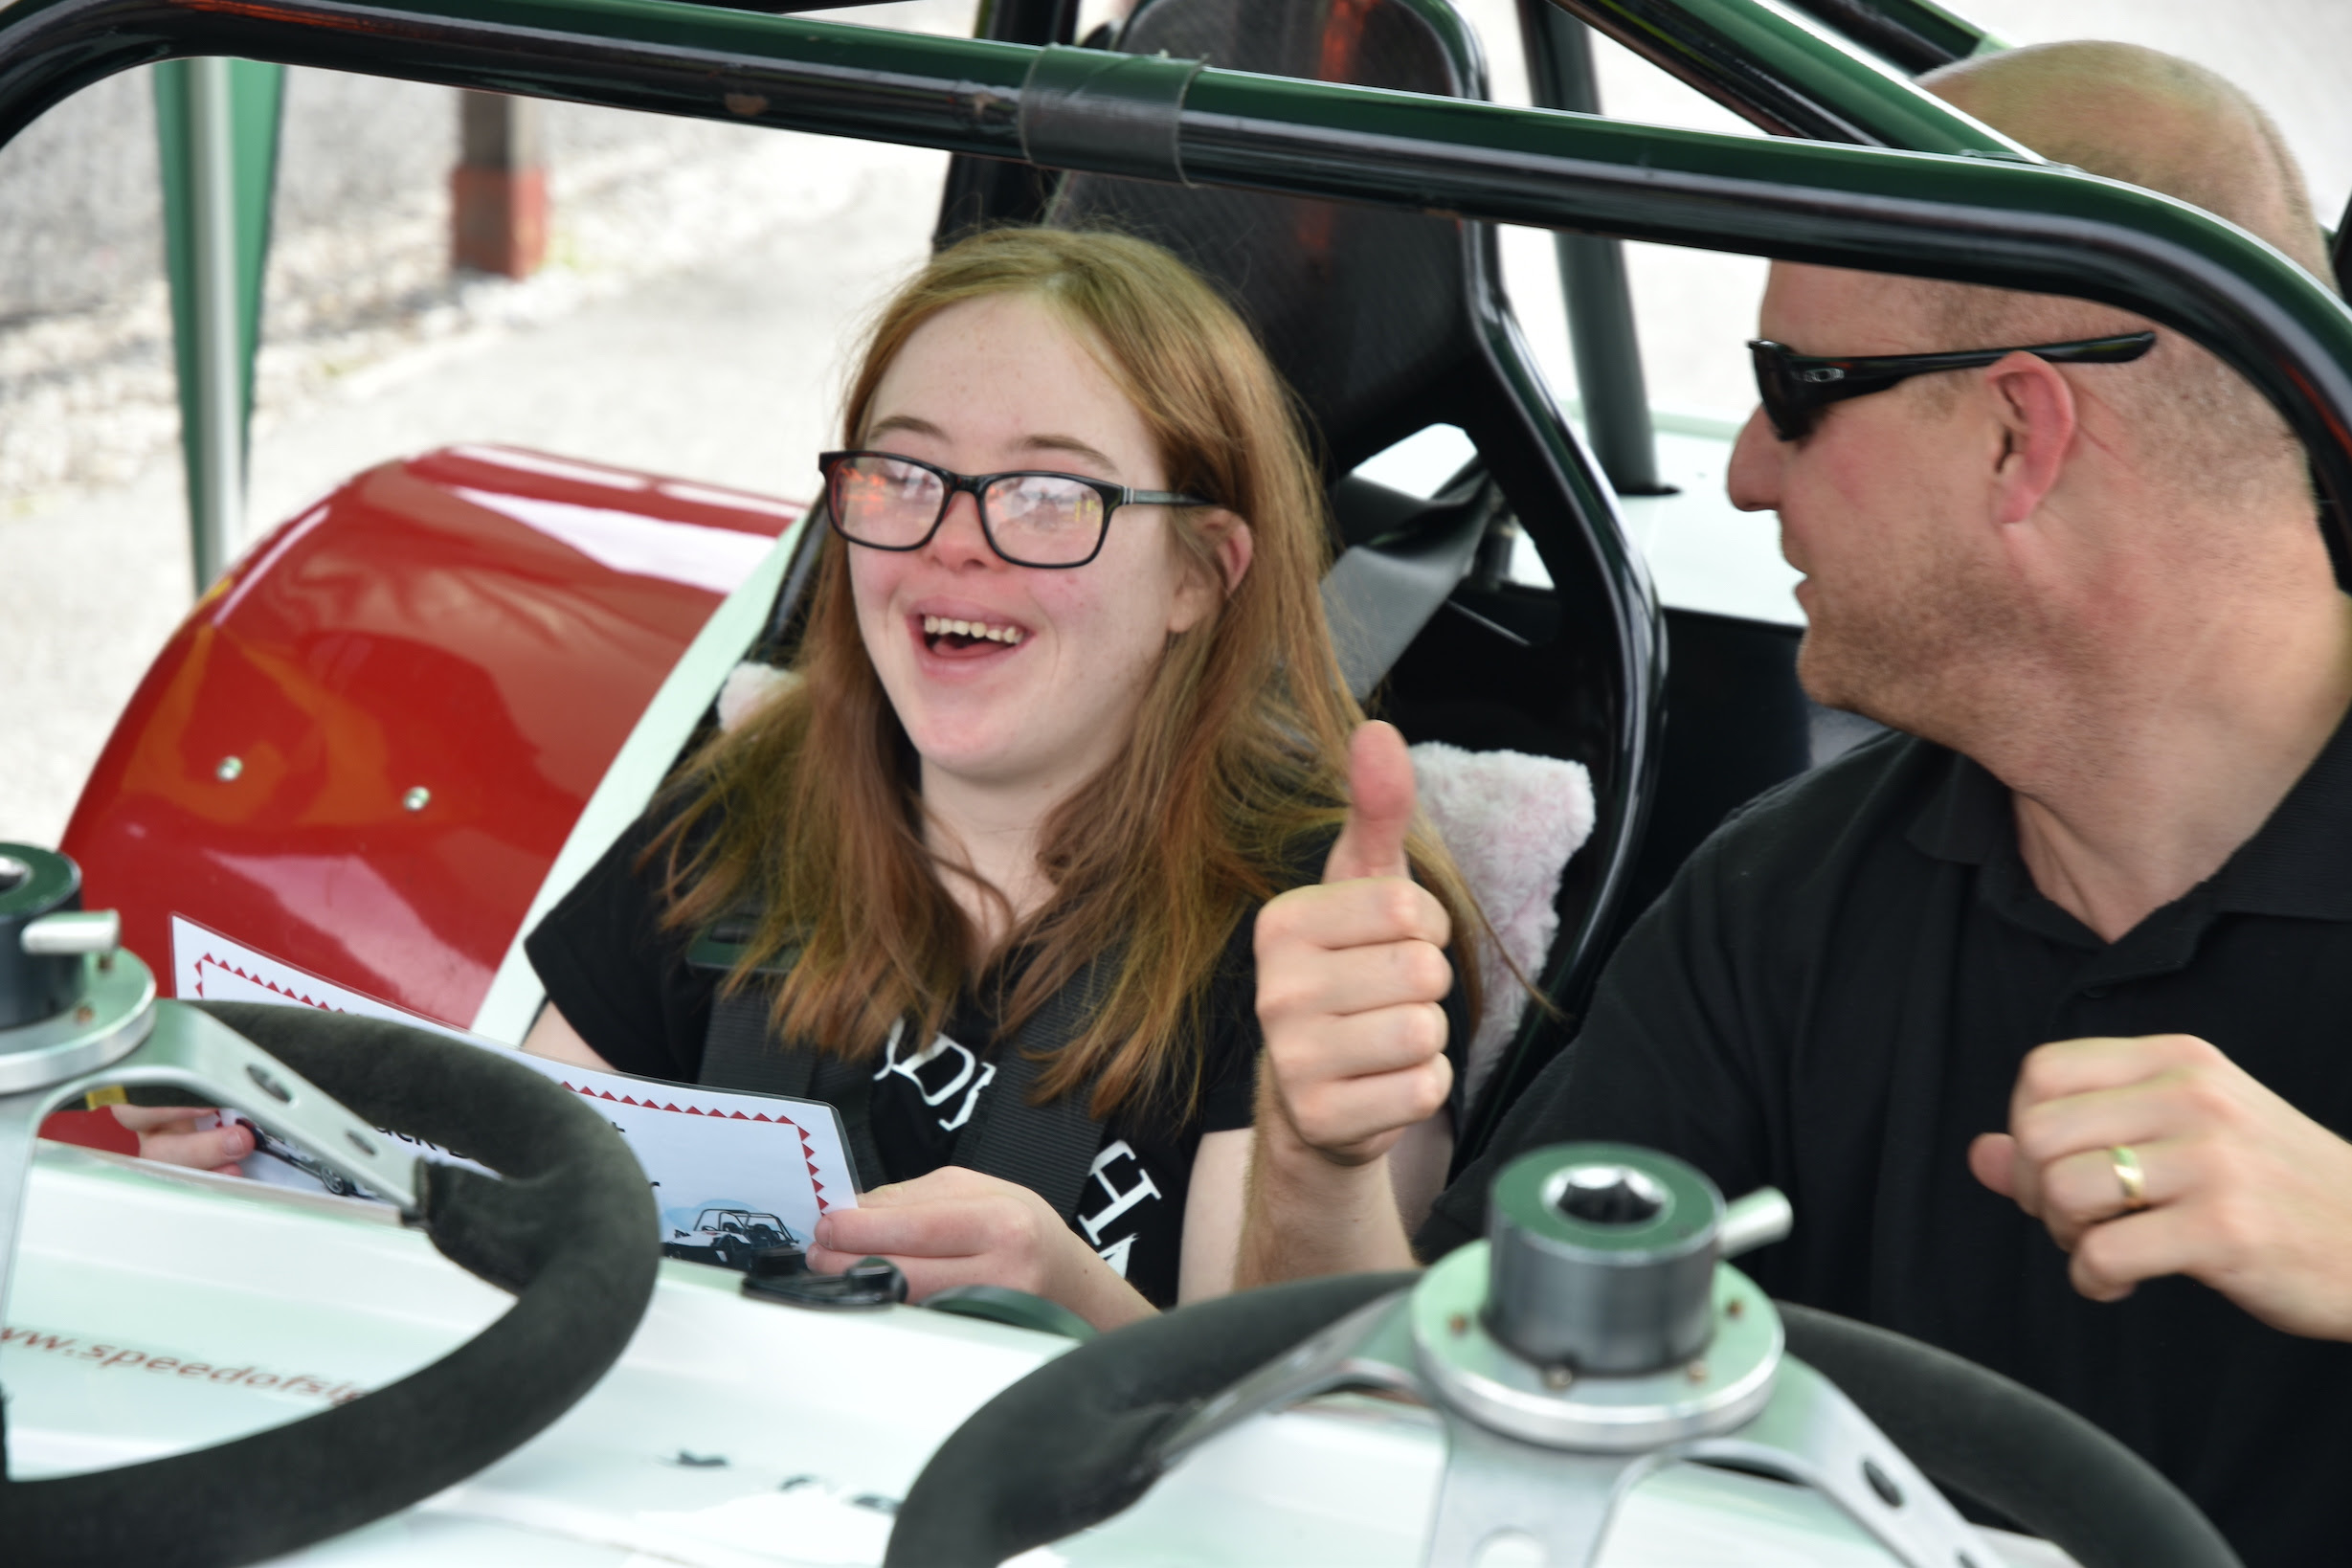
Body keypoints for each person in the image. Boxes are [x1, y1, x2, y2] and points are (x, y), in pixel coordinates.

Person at [1239, 41, 2352, 1565]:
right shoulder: (1781, 902)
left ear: (2018, 436)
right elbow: (1430, 1445)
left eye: (1791, 392)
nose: (1746, 474)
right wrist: (1320, 1162)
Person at [105, 227, 1481, 1333]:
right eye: (904, 476)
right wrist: (280, 1189)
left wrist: (1073, 1299)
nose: (953, 542)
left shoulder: (1323, 937)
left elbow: (1303, 1461)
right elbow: (518, 1192)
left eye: (1049, 496)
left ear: (1200, 573)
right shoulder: (740, 818)